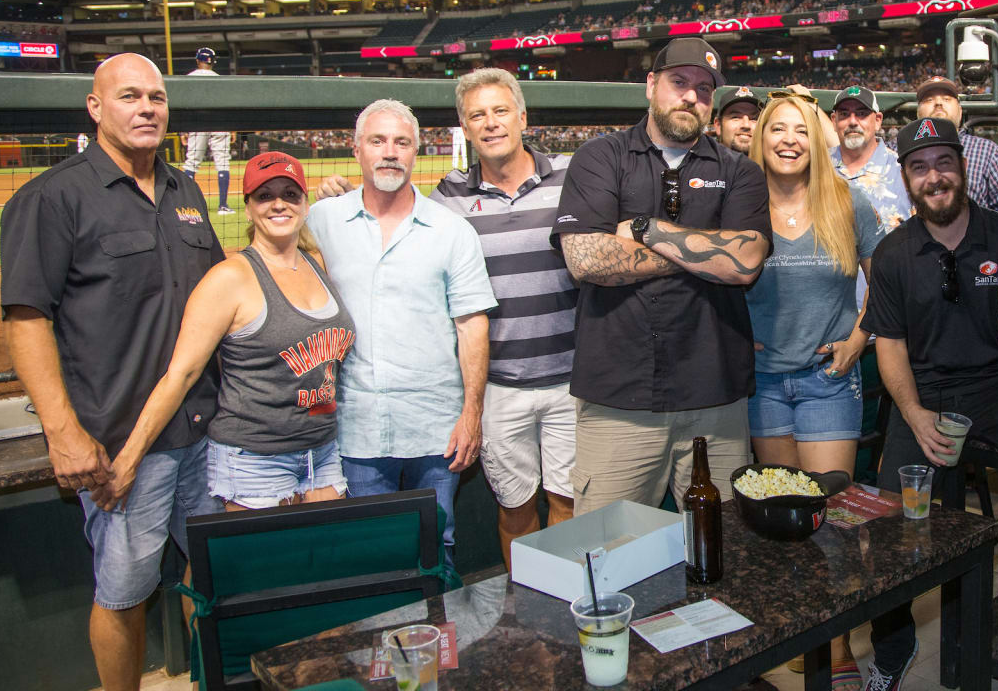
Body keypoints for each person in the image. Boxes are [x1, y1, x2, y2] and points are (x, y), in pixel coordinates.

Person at [1, 53, 223, 691]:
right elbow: (26, 320)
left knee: (206, 578)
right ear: (96, 108)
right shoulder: (53, 196)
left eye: (156, 97)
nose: (147, 108)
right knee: (125, 593)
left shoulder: (184, 189)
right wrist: (62, 432)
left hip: (203, 430)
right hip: (121, 441)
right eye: (130, 96)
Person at [862, 115, 998, 691]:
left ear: (962, 166)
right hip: (924, 395)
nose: (935, 177)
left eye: (944, 163)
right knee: (890, 513)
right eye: (920, 167)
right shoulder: (894, 253)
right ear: (907, 179)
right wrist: (914, 413)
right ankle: (894, 647)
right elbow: (891, 348)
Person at [552, 38, 771, 513]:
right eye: (679, 82)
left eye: (704, 89)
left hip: (716, 397)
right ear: (651, 85)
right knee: (608, 556)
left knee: (726, 553)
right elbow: (586, 259)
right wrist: (706, 247)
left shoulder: (740, 171)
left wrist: (643, 231)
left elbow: (746, 262)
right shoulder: (599, 157)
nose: (692, 96)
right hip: (617, 399)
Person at [307, 99, 497, 570]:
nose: (389, 152)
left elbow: (472, 324)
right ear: (356, 150)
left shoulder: (452, 230)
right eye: (377, 141)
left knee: (439, 547)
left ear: (416, 151)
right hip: (356, 427)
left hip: (436, 427)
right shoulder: (322, 221)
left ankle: (440, 643)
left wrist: (471, 413)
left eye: (401, 142)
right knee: (370, 557)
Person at [107, 153, 353, 514]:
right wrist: (130, 457)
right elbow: (182, 374)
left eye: (290, 193)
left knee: (319, 563)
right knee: (248, 568)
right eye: (265, 196)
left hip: (323, 452)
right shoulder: (229, 279)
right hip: (254, 458)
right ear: (249, 208)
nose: (279, 204)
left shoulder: (316, 262)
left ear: (304, 204)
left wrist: (344, 196)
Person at [745, 91, 882, 690]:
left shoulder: (849, 202)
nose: (788, 139)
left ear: (817, 139)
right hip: (761, 386)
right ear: (760, 138)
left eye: (800, 129)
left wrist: (860, 337)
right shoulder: (738, 203)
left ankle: (840, 644)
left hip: (829, 381)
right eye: (777, 128)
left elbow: (888, 285)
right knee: (782, 521)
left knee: (829, 516)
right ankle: (800, 631)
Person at [431, 69, 581, 570]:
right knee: (514, 509)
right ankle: (529, 613)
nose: (490, 124)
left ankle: (570, 607)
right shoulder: (446, 197)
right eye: (478, 115)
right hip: (499, 385)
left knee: (570, 505)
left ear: (522, 116)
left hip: (571, 379)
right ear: (464, 127)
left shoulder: (571, 175)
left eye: (500, 111)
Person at [913, 76, 998, 217]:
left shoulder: (986, 151)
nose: (938, 103)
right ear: (918, 114)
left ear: (960, 112)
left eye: (947, 99)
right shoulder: (898, 153)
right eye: (929, 100)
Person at [827, 84, 912, 236]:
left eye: (862, 114)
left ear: (878, 120)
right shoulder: (817, 165)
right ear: (834, 121)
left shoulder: (902, 168)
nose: (852, 121)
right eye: (844, 114)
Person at [181, 47, 233, 215]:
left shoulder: (189, 79)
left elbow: (184, 105)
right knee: (222, 161)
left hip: (197, 122)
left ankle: (188, 205)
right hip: (219, 122)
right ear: (213, 62)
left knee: (192, 161)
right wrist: (230, 128)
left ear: (198, 60)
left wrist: (183, 130)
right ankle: (223, 206)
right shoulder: (219, 79)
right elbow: (227, 106)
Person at [712, 85, 762, 153]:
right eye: (736, 117)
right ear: (718, 125)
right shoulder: (700, 162)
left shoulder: (771, 162)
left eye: (754, 119)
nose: (746, 125)